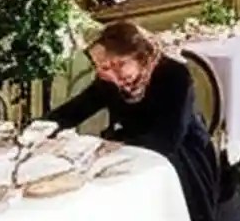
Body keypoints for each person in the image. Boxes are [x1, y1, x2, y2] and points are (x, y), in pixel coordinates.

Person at [48, 21, 218, 221]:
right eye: (102, 67)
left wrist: (117, 145)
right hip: (131, 146)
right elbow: (75, 110)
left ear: (141, 58)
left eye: (119, 64)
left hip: (181, 154)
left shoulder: (174, 75)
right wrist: (40, 129)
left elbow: (167, 138)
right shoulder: (112, 81)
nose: (110, 73)